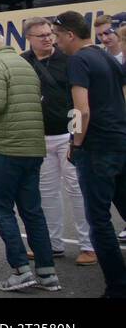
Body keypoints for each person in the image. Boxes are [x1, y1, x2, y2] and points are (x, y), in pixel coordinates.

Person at [0, 24, 61, 293]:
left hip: (7, 148)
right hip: (32, 147)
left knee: (3, 209)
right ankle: (47, 272)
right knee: (33, 211)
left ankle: (20, 270)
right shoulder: (23, 64)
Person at [54, 11, 126, 299]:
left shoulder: (78, 61)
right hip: (120, 139)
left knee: (98, 220)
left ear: (70, 35)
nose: (56, 42)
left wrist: (76, 141)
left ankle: (117, 287)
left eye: (58, 36)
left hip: (96, 146)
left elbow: (79, 110)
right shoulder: (106, 56)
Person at [23, 17, 94, 266]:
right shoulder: (23, 62)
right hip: (39, 138)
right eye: (40, 35)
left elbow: (79, 104)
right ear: (29, 38)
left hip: (67, 136)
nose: (47, 38)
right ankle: (53, 244)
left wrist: (76, 138)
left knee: (77, 190)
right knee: (46, 193)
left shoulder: (68, 60)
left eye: (49, 34)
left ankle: (88, 245)